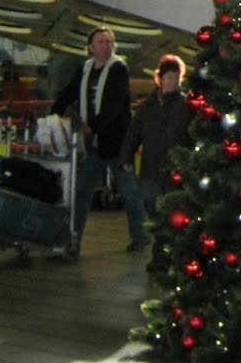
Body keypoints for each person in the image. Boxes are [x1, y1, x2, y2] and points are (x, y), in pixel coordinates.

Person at [58, 26, 146, 255]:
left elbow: (114, 104)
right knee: (83, 191)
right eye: (101, 42)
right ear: (91, 47)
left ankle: (140, 235)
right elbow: (70, 92)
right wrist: (55, 112)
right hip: (94, 143)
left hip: (117, 142)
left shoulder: (118, 69)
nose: (107, 46)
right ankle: (72, 236)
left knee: (128, 190)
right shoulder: (85, 69)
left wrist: (92, 127)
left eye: (109, 42)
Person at [120, 54, 190, 271]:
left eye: (176, 78)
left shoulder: (185, 105)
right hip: (152, 169)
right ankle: (163, 257)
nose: (173, 82)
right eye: (169, 77)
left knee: (168, 216)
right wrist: (127, 156)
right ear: (161, 78)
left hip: (173, 171)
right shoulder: (149, 106)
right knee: (156, 214)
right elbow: (134, 133)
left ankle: (162, 258)